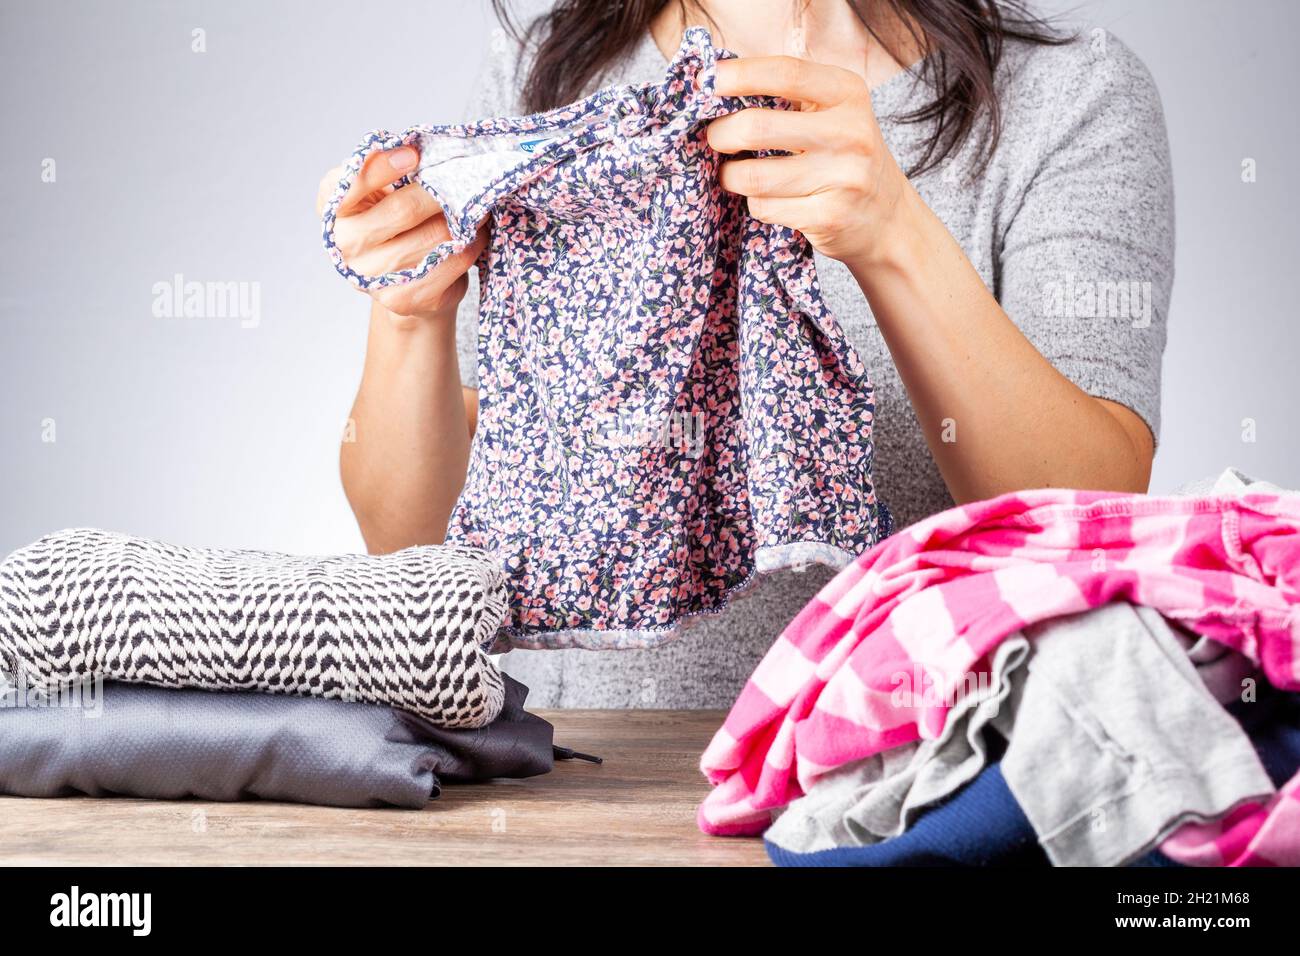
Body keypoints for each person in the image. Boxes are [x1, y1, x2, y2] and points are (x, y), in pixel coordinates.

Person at [317, 0, 1174, 708]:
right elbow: (416, 548)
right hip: (587, 792)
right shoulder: (547, 70)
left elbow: (1083, 522)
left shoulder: (1069, 94)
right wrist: (407, 319)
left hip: (915, 786)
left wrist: (890, 232)